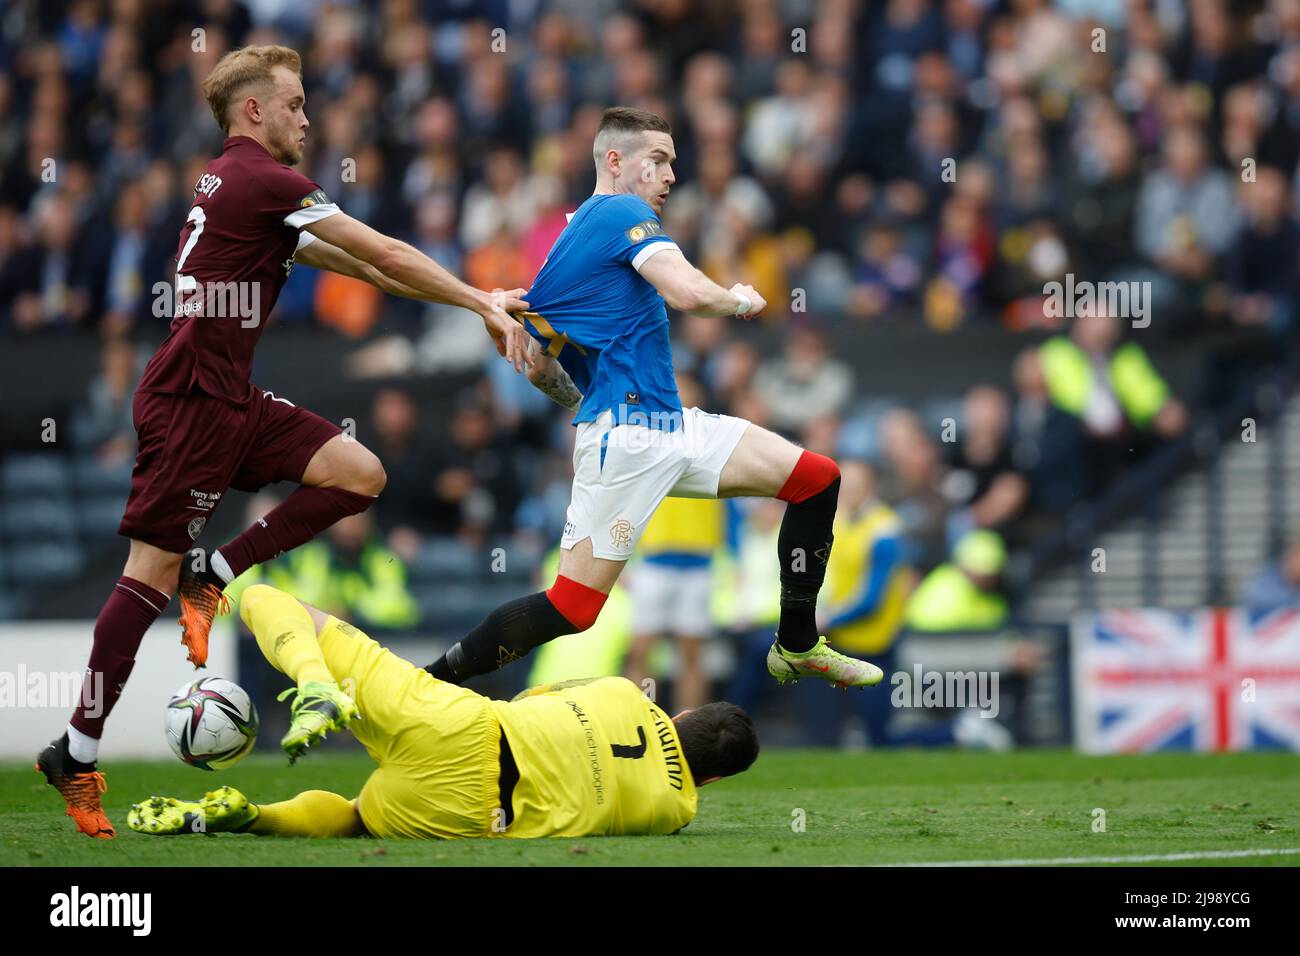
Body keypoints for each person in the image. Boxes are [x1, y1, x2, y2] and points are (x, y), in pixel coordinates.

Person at [38, 44, 531, 839]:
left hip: (232, 397)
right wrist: (479, 300)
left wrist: (467, 299)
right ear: (254, 111)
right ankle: (76, 751)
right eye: (296, 104)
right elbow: (386, 249)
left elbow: (371, 272)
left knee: (358, 472)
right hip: (192, 403)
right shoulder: (263, 180)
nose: (309, 118)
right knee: (145, 578)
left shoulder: (242, 189)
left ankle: (218, 571)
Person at [425, 106, 881, 693]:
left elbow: (539, 363)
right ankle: (426, 683)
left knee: (816, 478)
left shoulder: (568, 246)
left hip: (669, 424)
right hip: (631, 437)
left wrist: (574, 400)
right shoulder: (620, 211)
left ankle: (795, 644)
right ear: (615, 162)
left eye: (672, 164)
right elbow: (687, 291)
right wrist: (739, 299)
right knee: (572, 607)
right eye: (659, 161)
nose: (669, 177)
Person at [126, 584, 759, 840]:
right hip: (480, 811)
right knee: (352, 824)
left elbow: (532, 702)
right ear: (712, 779)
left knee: (267, 597)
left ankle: (315, 683)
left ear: (683, 714)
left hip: (460, 722)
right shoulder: (677, 811)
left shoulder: (625, 693)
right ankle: (258, 819)